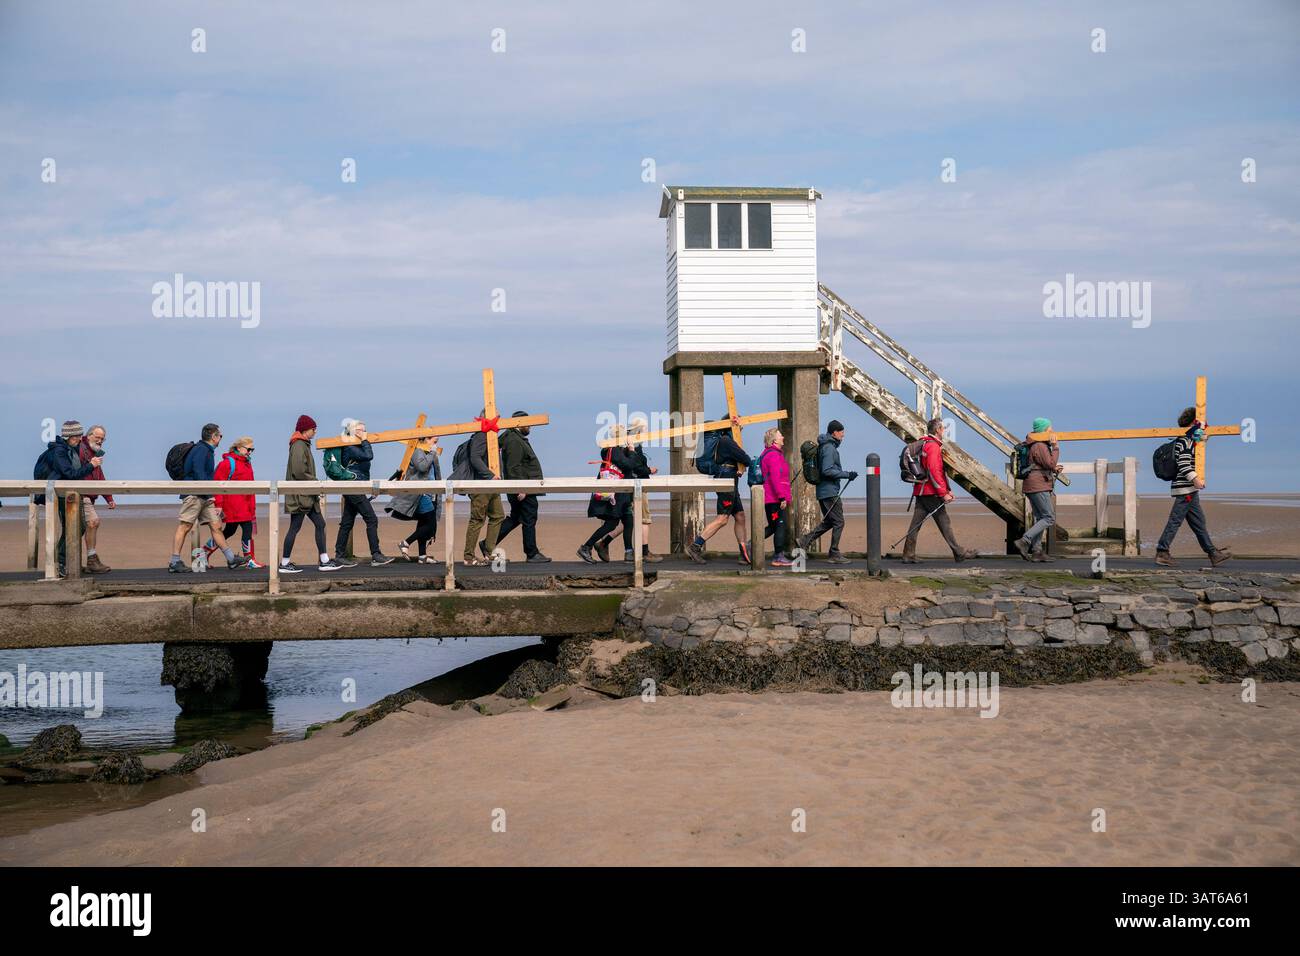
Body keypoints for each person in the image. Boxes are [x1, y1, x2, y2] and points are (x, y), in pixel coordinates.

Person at [1156, 407, 1232, 568]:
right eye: (1200, 423)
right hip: (1185, 489)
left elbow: (1202, 440)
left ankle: (1213, 554)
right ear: (1192, 423)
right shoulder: (1185, 441)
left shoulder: (1190, 439)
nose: (1204, 426)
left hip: (1189, 490)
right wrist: (1195, 479)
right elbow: (1183, 464)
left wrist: (1206, 433)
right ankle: (1162, 552)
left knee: (1199, 523)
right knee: (1175, 521)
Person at [169, 424, 250, 573]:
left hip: (205, 495)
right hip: (194, 495)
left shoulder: (207, 450)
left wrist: (209, 495)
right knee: (185, 526)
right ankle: (174, 562)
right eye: (220, 436)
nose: (220, 439)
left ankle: (231, 559)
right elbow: (198, 472)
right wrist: (209, 494)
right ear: (213, 436)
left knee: (216, 526)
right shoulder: (201, 450)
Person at [901, 418, 977, 564]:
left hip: (922, 489)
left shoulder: (925, 444)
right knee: (944, 521)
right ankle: (959, 552)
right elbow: (935, 471)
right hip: (930, 491)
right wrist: (943, 493)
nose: (945, 431)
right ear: (937, 430)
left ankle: (908, 554)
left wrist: (947, 489)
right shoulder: (933, 447)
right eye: (943, 428)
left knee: (916, 524)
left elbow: (936, 472)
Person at [281, 415, 346, 573]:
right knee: (295, 527)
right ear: (305, 429)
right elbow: (298, 471)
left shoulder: (303, 444)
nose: (315, 431)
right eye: (313, 429)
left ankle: (323, 560)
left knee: (319, 524)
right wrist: (315, 481)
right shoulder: (298, 446)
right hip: (301, 495)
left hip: (307, 494)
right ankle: (284, 564)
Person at [34, 420, 99, 577]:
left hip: (71, 493)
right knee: (74, 527)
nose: (78, 438)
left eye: (79, 435)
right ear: (67, 436)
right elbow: (69, 474)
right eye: (75, 435)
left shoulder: (71, 449)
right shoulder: (60, 452)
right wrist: (91, 465)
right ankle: (61, 561)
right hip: (61, 494)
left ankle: (66, 561)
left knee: (79, 526)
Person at [686, 417, 752, 565]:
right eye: (739, 427)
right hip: (726, 481)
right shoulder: (726, 442)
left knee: (740, 516)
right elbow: (745, 458)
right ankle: (695, 546)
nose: (740, 430)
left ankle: (743, 553)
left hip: (728, 480)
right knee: (722, 518)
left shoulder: (722, 441)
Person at [578, 427, 647, 563]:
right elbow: (628, 464)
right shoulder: (613, 450)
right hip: (615, 495)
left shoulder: (616, 450)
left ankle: (629, 552)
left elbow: (633, 464)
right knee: (611, 524)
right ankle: (586, 547)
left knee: (628, 520)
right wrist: (632, 451)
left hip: (622, 494)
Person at [797, 419, 858, 564]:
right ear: (834, 432)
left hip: (824, 491)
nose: (843, 435)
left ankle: (804, 541)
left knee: (831, 521)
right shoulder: (829, 448)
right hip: (829, 492)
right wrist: (847, 474)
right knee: (839, 522)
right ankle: (834, 553)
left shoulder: (826, 446)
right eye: (841, 432)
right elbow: (827, 470)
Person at [334, 419, 393, 567]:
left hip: (356, 487)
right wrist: (365, 440)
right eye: (361, 430)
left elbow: (364, 466)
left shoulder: (356, 446)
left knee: (347, 522)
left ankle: (339, 555)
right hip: (353, 487)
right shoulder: (349, 447)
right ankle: (376, 555)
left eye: (365, 430)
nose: (364, 433)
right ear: (353, 432)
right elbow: (368, 456)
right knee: (371, 519)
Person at [496, 411, 551, 563]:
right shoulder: (514, 440)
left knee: (516, 518)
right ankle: (532, 553)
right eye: (528, 423)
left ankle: (487, 544)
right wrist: (522, 488)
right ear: (519, 423)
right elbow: (513, 466)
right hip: (523, 488)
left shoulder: (515, 438)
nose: (531, 426)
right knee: (528, 518)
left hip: (523, 487)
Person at [207, 436, 262, 569]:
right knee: (246, 529)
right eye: (248, 449)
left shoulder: (246, 462)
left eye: (252, 450)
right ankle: (250, 560)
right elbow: (217, 484)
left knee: (229, 531)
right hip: (233, 506)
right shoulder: (227, 463)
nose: (250, 452)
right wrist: (218, 505)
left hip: (244, 505)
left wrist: (252, 506)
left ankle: (203, 552)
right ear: (238, 448)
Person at [1013, 417, 1063, 563]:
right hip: (1038, 485)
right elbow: (1050, 462)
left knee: (1040, 517)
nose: (1052, 431)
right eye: (1050, 428)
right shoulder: (1040, 445)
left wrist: (1053, 468)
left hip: (1033, 484)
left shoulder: (1035, 445)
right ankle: (1024, 541)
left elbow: (1045, 464)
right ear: (1043, 430)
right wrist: (1056, 447)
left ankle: (1037, 552)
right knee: (1049, 517)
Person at [387, 437, 442, 564]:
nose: (436, 444)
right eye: (434, 441)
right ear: (425, 440)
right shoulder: (418, 451)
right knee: (430, 524)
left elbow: (435, 474)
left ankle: (422, 556)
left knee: (423, 523)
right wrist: (433, 452)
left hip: (431, 493)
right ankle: (405, 543)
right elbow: (422, 467)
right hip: (420, 493)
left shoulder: (430, 453)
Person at [461, 411, 504, 566]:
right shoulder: (481, 435)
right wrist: (490, 475)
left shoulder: (492, 435)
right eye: (496, 416)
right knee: (477, 519)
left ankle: (489, 551)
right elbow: (475, 457)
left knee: (498, 515)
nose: (499, 418)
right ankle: (469, 557)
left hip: (493, 486)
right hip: (481, 485)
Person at [78, 424, 114, 574]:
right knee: (93, 522)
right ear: (89, 435)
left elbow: (100, 476)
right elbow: (75, 472)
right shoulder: (80, 449)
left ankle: (68, 562)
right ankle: (91, 560)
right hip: (79, 495)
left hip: (89, 496)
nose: (100, 441)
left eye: (102, 439)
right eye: (97, 437)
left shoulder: (95, 452)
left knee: (76, 530)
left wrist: (109, 498)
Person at [628, 416, 662, 563]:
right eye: (645, 429)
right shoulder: (634, 445)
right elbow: (635, 466)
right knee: (644, 519)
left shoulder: (628, 442)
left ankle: (602, 543)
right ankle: (644, 552)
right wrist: (649, 470)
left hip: (630, 484)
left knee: (627, 520)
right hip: (637, 485)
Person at [758, 427, 794, 567]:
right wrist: (782, 498)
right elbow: (774, 478)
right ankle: (778, 556)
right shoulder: (772, 455)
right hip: (774, 499)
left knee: (774, 526)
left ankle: (749, 546)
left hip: (773, 498)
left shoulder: (774, 454)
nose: (783, 437)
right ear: (774, 440)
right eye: (780, 435)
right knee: (780, 525)